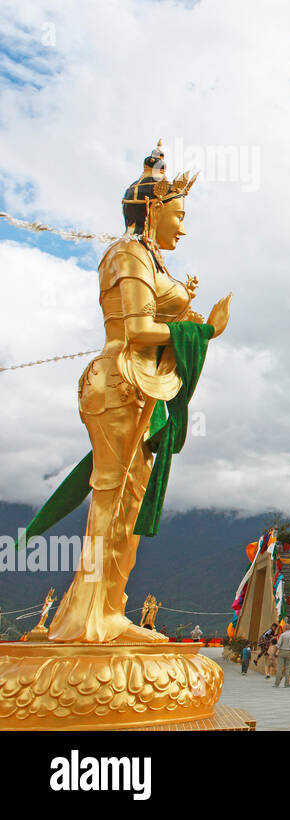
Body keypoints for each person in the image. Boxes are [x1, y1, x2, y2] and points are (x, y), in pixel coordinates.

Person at [35, 142, 230, 643]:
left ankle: (112, 609)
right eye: (178, 215)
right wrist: (203, 332)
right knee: (110, 497)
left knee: (129, 503)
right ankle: (86, 617)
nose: (182, 227)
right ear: (152, 209)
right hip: (119, 381)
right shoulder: (126, 254)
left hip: (146, 390)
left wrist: (187, 320)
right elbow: (137, 329)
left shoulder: (151, 259)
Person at [273, 620, 290, 688]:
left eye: (283, 627)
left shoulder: (283, 635)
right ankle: (287, 683)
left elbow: (278, 645)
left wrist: (275, 652)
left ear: (285, 628)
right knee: (287, 668)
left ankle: (276, 683)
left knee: (280, 668)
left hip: (282, 651)